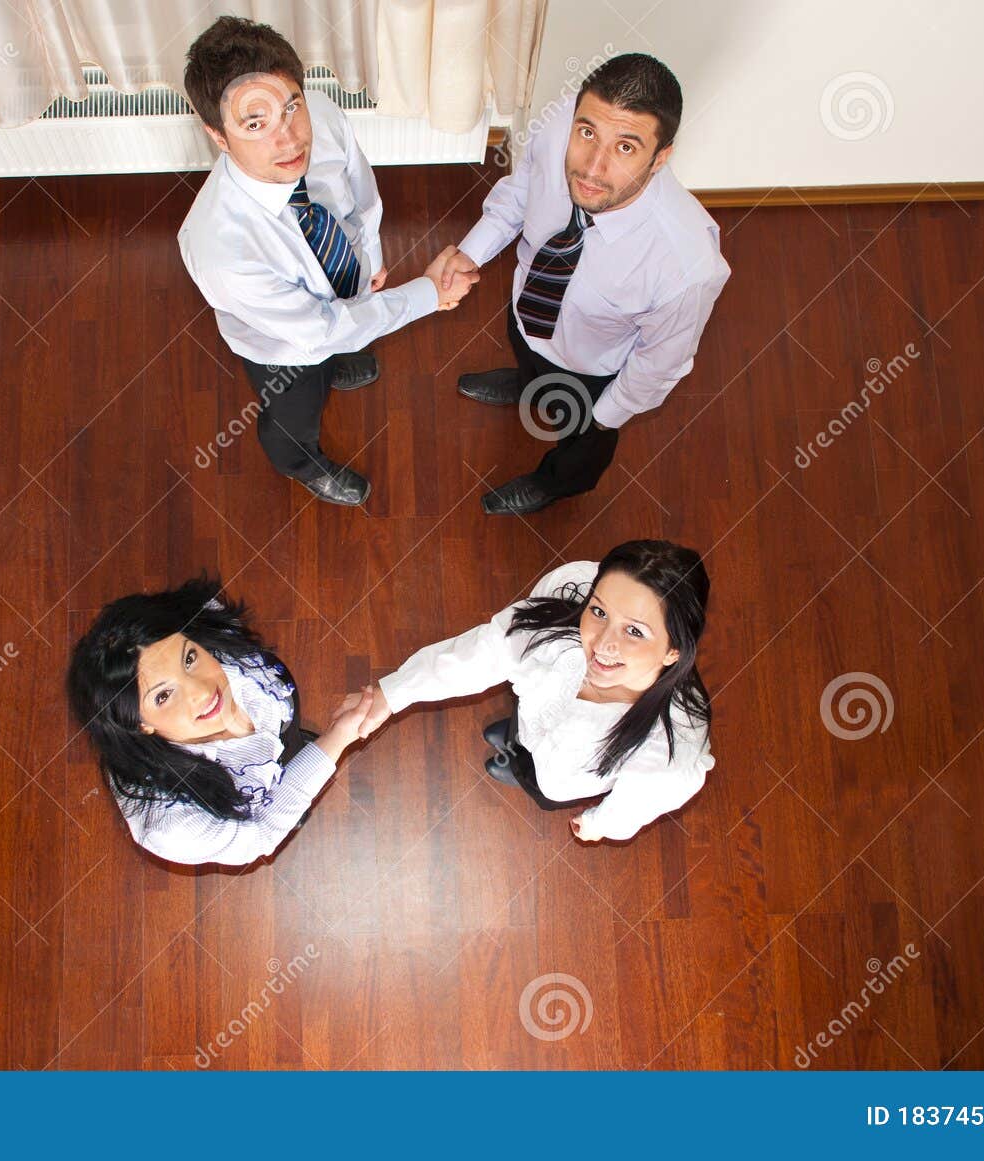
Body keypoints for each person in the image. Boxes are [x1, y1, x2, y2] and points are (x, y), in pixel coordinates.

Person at [179, 15, 477, 507]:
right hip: (286, 347)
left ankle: (337, 367)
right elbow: (319, 330)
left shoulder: (320, 113)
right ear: (218, 134)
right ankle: (298, 462)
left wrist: (371, 261)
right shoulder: (221, 251)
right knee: (296, 411)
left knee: (343, 343)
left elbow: (362, 197)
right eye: (256, 124)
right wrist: (429, 293)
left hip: (346, 295)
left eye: (290, 107)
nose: (290, 139)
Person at [433, 53, 731, 515]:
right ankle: (526, 383)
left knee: (581, 442)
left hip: (591, 372)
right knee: (526, 351)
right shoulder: (559, 126)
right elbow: (520, 192)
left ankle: (556, 483)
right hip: (528, 309)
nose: (592, 167)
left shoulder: (687, 268)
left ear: (660, 158)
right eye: (587, 133)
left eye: (626, 147)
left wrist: (599, 419)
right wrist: (470, 252)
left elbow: (657, 367)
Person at [360, 540, 714, 842]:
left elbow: (644, 796)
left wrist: (600, 823)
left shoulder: (671, 743)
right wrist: (393, 694)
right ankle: (515, 746)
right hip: (532, 716)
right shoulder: (557, 615)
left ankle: (521, 772)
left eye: (634, 632)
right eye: (599, 611)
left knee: (541, 786)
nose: (603, 643)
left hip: (561, 777)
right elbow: (478, 655)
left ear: (674, 650)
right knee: (518, 731)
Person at [66, 576, 374, 866]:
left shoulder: (207, 625)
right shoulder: (171, 827)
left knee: (293, 745)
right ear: (138, 724)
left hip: (278, 742)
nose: (203, 690)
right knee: (288, 797)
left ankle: (293, 753)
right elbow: (261, 836)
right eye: (163, 696)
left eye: (189, 659)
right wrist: (336, 738)